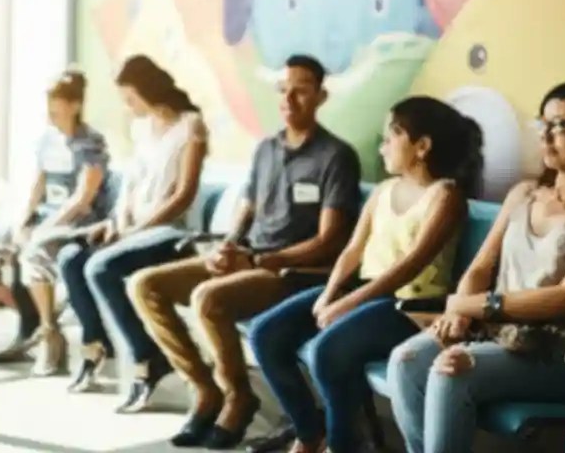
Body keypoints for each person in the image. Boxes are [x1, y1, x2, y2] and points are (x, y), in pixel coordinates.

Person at [388, 81, 565, 453]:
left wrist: (470, 306)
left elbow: (564, 298)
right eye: (543, 125)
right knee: (406, 360)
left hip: (564, 356)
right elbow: (480, 267)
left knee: (452, 371)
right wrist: (461, 315)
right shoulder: (524, 194)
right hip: (496, 336)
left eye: (562, 126)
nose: (547, 137)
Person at [129, 55, 362, 449]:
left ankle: (238, 396)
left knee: (208, 298)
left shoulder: (336, 157)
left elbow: (330, 240)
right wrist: (229, 244)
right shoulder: (267, 149)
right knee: (145, 285)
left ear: (321, 96)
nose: (289, 98)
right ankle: (205, 390)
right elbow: (248, 208)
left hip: (290, 272)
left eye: (300, 90)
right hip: (249, 257)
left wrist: (268, 260)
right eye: (283, 89)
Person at [248, 96, 484, 453]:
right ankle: (311, 435)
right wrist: (330, 294)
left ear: (422, 146)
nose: (383, 145)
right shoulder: (384, 191)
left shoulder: (446, 196)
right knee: (265, 333)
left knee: (328, 351)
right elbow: (352, 251)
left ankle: (345, 445)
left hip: (410, 306)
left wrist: (347, 304)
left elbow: (410, 265)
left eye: (392, 136)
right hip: (365, 291)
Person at [58, 54, 208, 412]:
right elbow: (130, 185)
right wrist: (115, 222)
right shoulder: (141, 128)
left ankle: (148, 358)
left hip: (169, 234)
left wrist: (139, 228)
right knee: (70, 258)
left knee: (101, 267)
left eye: (130, 97)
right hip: (132, 229)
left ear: (148, 91)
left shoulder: (191, 127)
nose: (128, 105)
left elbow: (183, 194)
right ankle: (95, 345)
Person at [0, 70, 114, 374]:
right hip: (44, 214)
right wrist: (24, 220)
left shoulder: (90, 142)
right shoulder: (47, 140)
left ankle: (50, 333)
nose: (51, 108)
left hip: (78, 220)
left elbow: (83, 197)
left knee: (34, 251)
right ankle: (31, 325)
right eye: (49, 101)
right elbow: (37, 185)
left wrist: (45, 229)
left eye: (58, 102)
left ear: (75, 105)